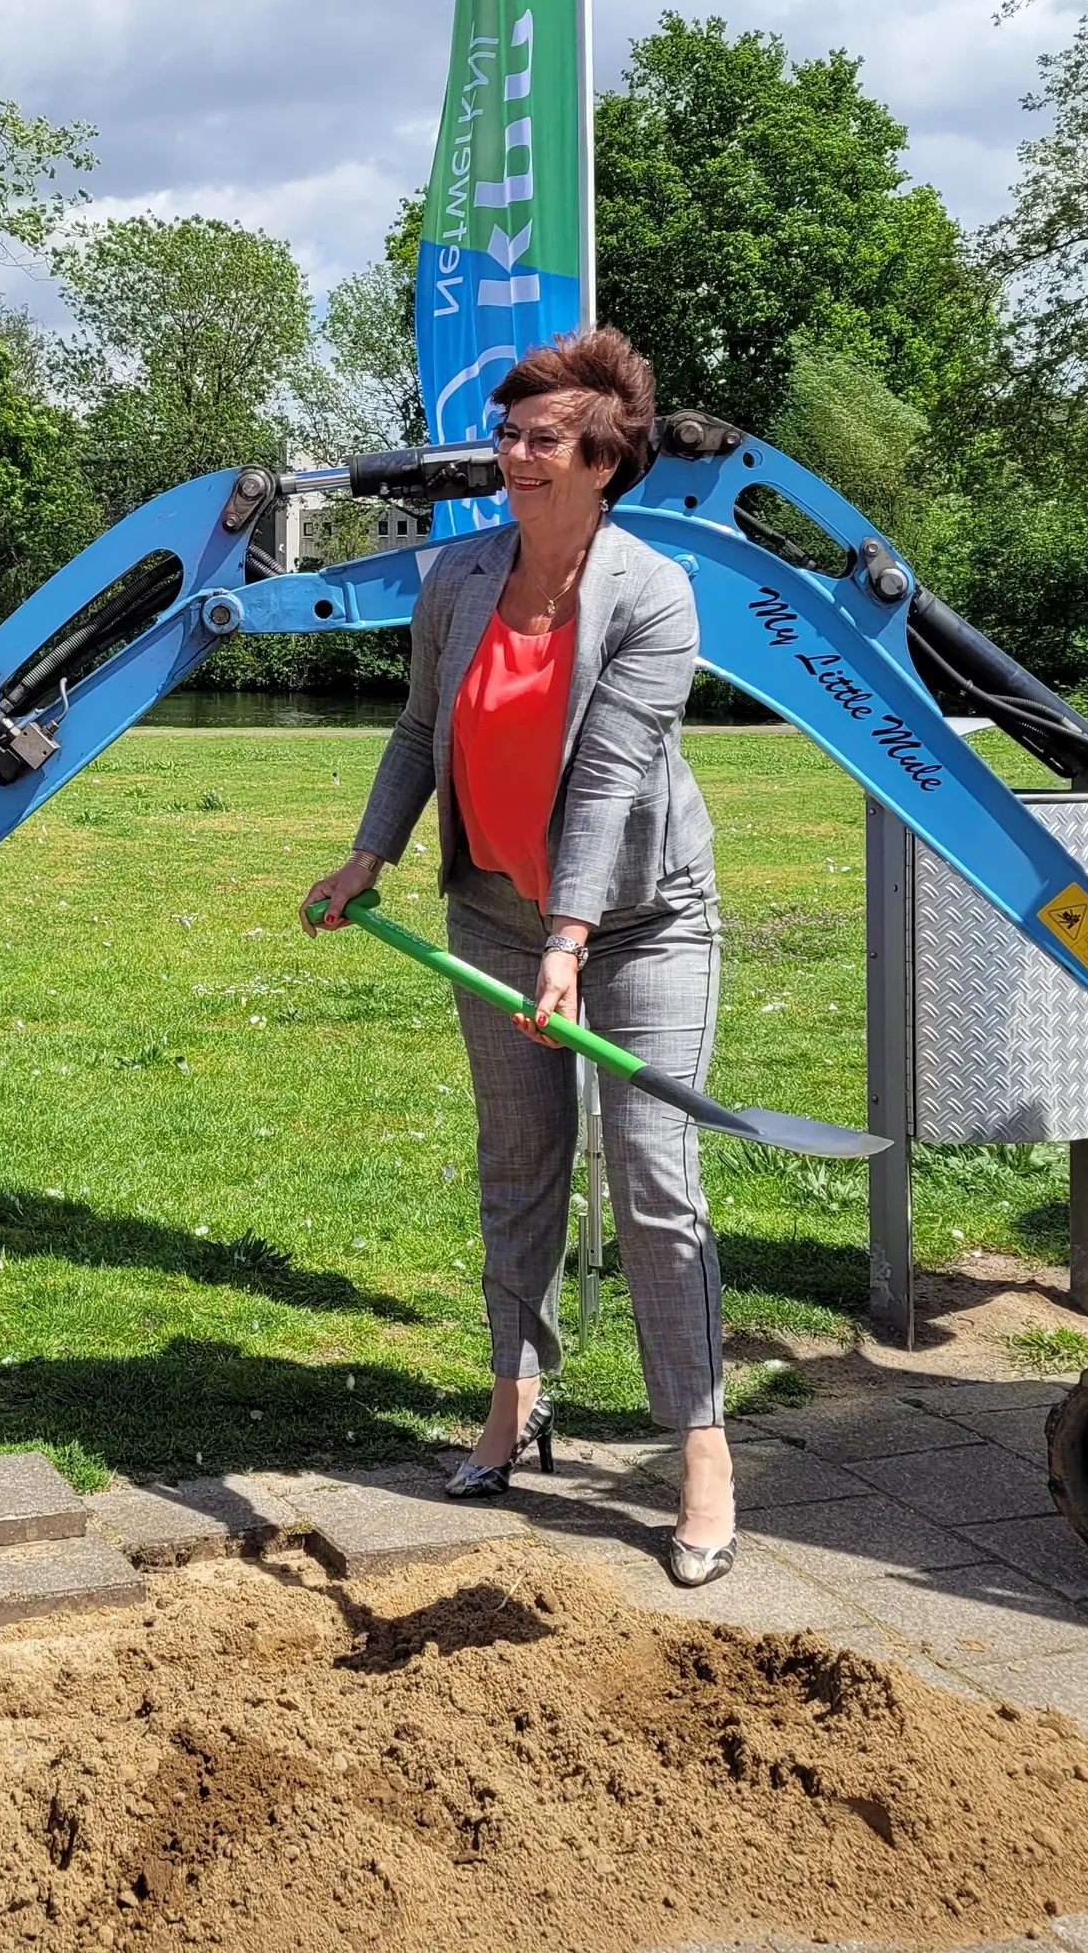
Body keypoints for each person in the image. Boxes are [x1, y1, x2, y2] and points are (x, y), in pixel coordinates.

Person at [301, 326, 739, 1586]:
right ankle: (513, 1400)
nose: (513, 455)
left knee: (651, 1179)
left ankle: (699, 1448)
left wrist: (571, 939)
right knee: (517, 1166)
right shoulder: (459, 575)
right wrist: (367, 857)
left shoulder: (652, 593)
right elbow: (416, 733)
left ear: (603, 461)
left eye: (542, 438)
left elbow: (606, 779)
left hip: (641, 921)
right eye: (506, 433)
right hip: (493, 912)